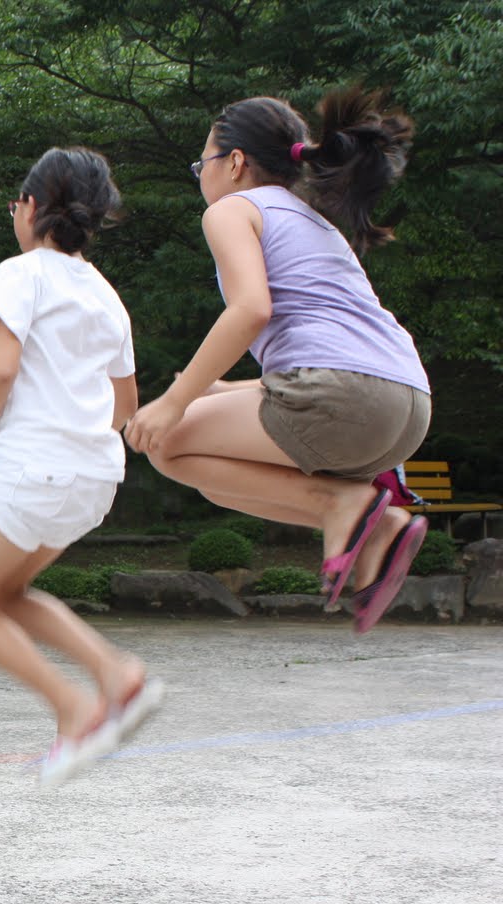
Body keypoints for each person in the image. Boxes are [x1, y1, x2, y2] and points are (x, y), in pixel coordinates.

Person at [124, 89, 429, 633]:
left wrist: (174, 403)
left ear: (234, 162)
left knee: (167, 444)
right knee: (219, 481)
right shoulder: (315, 222)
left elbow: (250, 310)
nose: (201, 175)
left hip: (343, 399)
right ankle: (375, 521)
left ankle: (342, 505)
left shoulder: (232, 210)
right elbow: (331, 352)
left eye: (202, 162)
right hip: (407, 408)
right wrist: (225, 390)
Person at [0, 147, 162, 787]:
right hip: (96, 478)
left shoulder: (19, 274)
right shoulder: (105, 296)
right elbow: (125, 404)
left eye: (16, 204)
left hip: (37, 471)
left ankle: (74, 708)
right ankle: (116, 674)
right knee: (3, 595)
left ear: (31, 206)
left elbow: (2, 370)